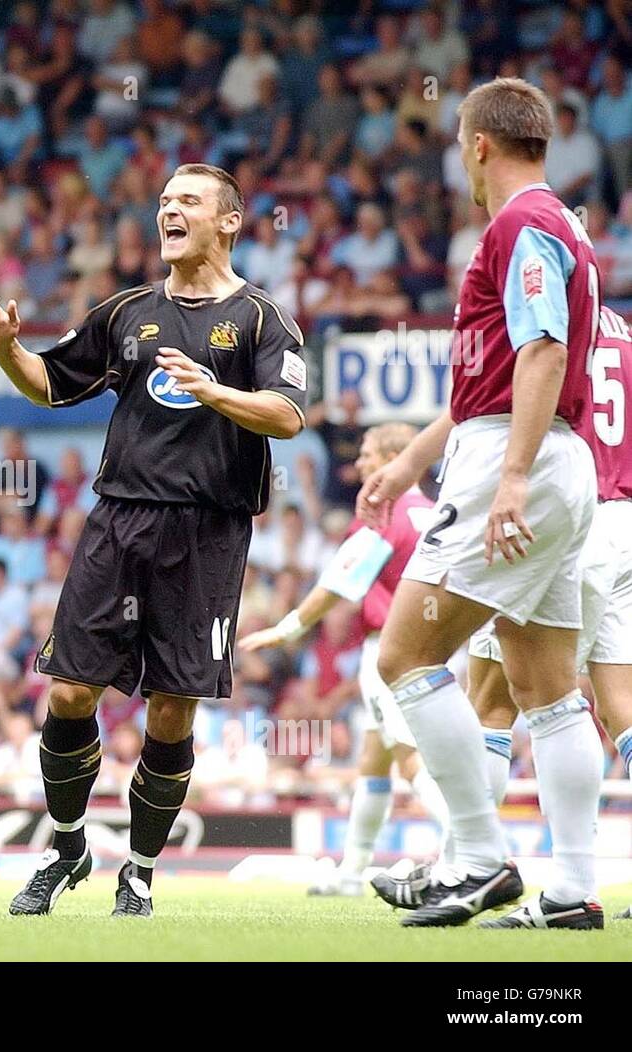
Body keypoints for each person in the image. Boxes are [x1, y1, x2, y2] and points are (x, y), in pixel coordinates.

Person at [0, 162, 307, 916]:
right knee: (68, 691)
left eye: (188, 201)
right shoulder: (125, 310)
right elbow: (50, 383)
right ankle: (65, 848)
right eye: (163, 200)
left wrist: (213, 390)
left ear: (229, 220)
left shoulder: (261, 319)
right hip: (118, 519)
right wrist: (3, 349)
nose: (169, 210)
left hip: (208, 532)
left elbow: (288, 416)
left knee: (171, 707)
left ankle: (142, 870)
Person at [359, 78, 603, 929]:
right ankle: (572, 892)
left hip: (517, 459)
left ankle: (475, 857)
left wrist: (508, 476)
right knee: (550, 690)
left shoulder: (520, 225)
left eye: (459, 146)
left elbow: (541, 351)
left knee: (404, 659)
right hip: (554, 461)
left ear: (479, 146)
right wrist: (407, 464)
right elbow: (489, 381)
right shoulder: (564, 222)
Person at [458, 304, 632, 924]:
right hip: (626, 523)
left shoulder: (554, 324)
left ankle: (477, 866)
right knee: (621, 709)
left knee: (502, 700)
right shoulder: (623, 332)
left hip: (571, 516)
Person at [240, 423, 449, 897]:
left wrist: (289, 626)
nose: (360, 465)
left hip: (394, 651)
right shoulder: (434, 514)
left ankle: (473, 854)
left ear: (399, 457)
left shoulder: (384, 512)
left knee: (410, 760)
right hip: (434, 645)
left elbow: (340, 581)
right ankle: (352, 872)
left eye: (370, 454)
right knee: (375, 762)